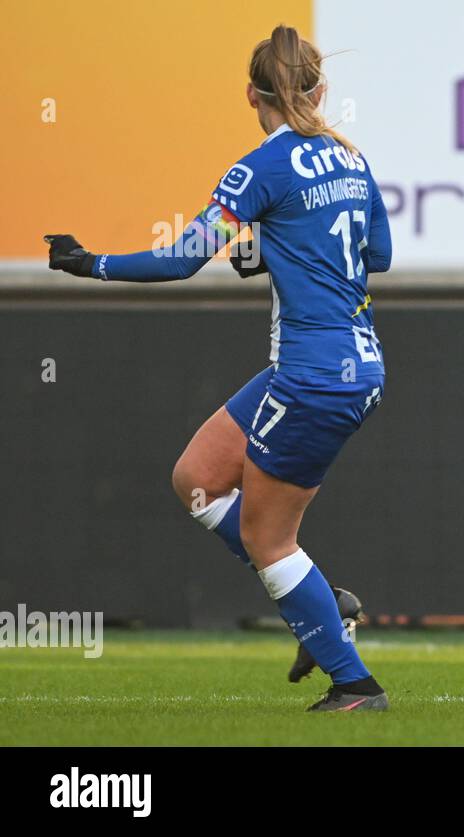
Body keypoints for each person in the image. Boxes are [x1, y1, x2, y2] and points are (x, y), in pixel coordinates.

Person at [44, 25, 391, 712]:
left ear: (249, 95)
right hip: (354, 365)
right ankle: (319, 604)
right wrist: (282, 244)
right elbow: (375, 255)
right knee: (197, 480)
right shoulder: (352, 160)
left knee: (268, 538)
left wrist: (92, 265)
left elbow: (180, 258)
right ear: (321, 90)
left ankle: (354, 683)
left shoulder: (261, 168)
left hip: (312, 377)